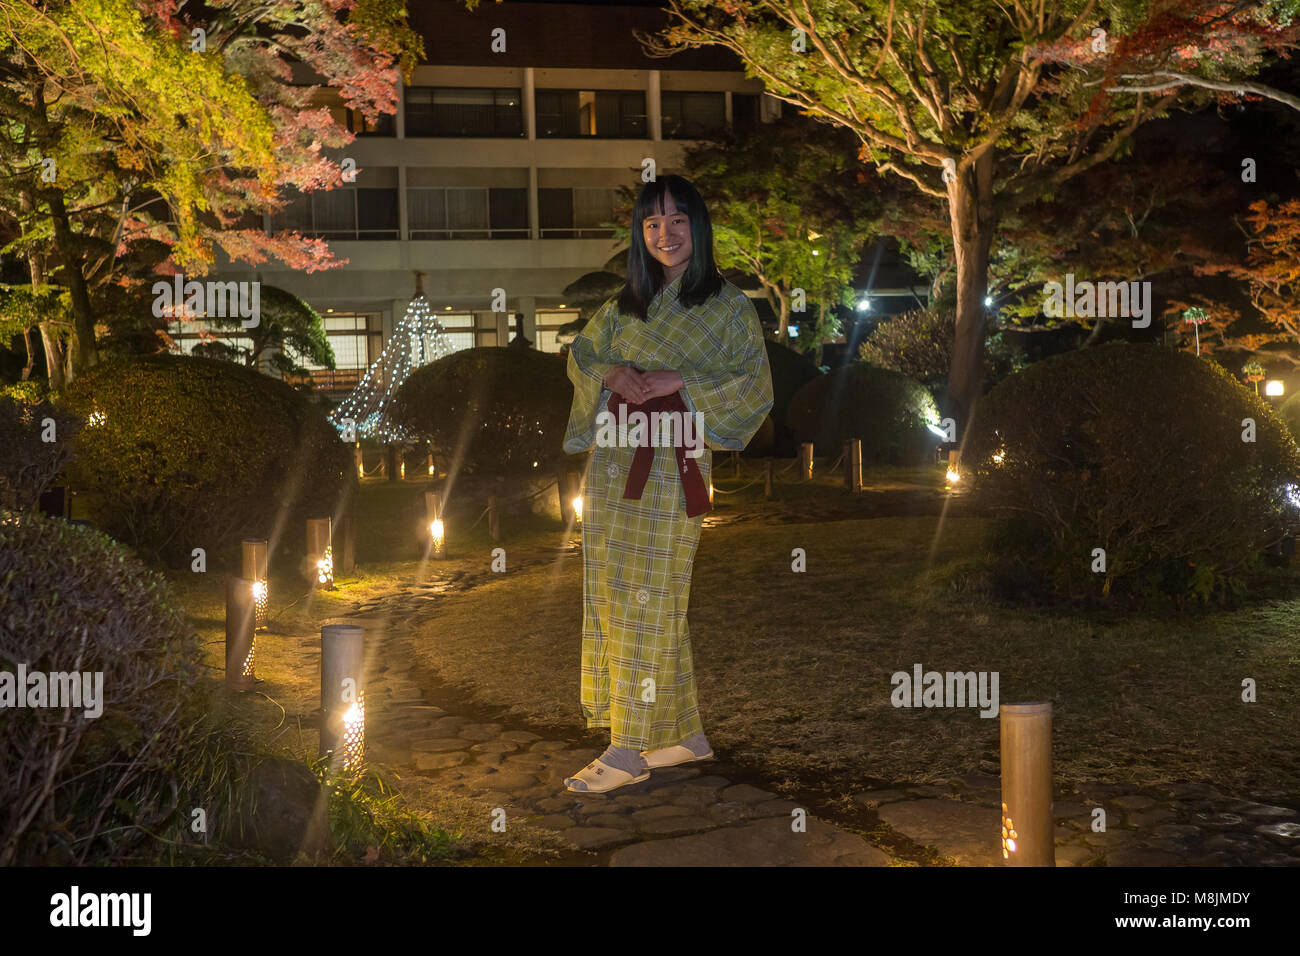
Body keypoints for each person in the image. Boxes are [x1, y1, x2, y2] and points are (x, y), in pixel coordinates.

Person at [561, 174, 774, 793]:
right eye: (652, 222)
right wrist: (613, 373)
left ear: (698, 227)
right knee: (616, 591)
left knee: (649, 596)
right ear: (640, 233)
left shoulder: (728, 306)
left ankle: (627, 749)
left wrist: (677, 380)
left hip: (673, 469)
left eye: (678, 220)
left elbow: (754, 386)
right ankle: (684, 736)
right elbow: (580, 356)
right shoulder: (623, 305)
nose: (666, 233)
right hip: (613, 464)